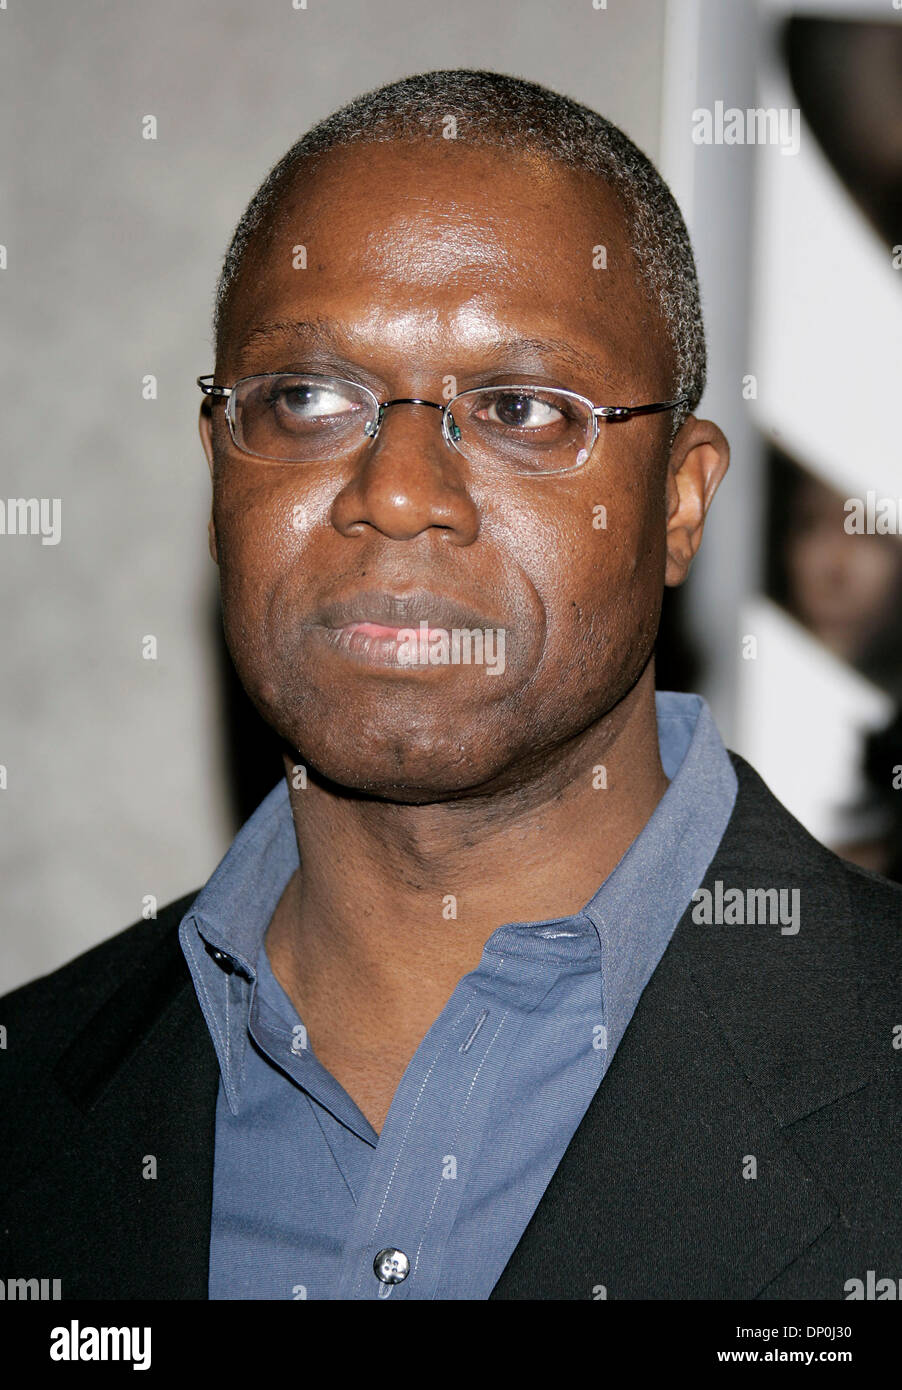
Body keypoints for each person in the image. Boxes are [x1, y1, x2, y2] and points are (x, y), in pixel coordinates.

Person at [1, 70, 899, 1302]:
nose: (400, 488)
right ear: (218, 474)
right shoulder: (30, 1096)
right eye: (308, 398)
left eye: (523, 407)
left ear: (678, 504)